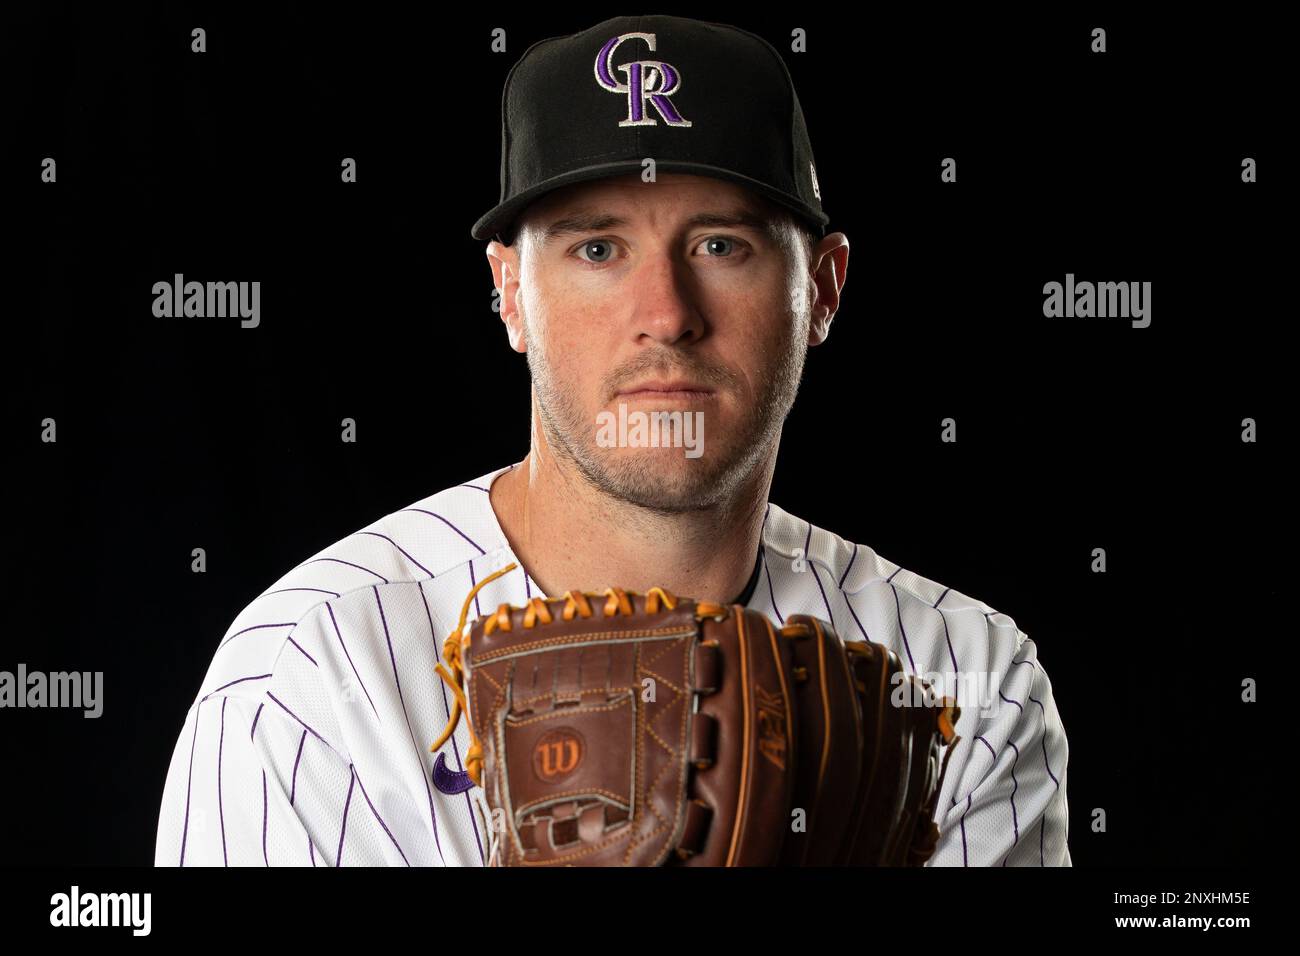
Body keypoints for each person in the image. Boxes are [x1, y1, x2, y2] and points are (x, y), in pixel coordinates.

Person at [154, 13, 1069, 867]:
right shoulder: (310, 673)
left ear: (822, 290)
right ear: (511, 293)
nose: (665, 315)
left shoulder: (966, 676)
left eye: (721, 245)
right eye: (597, 249)